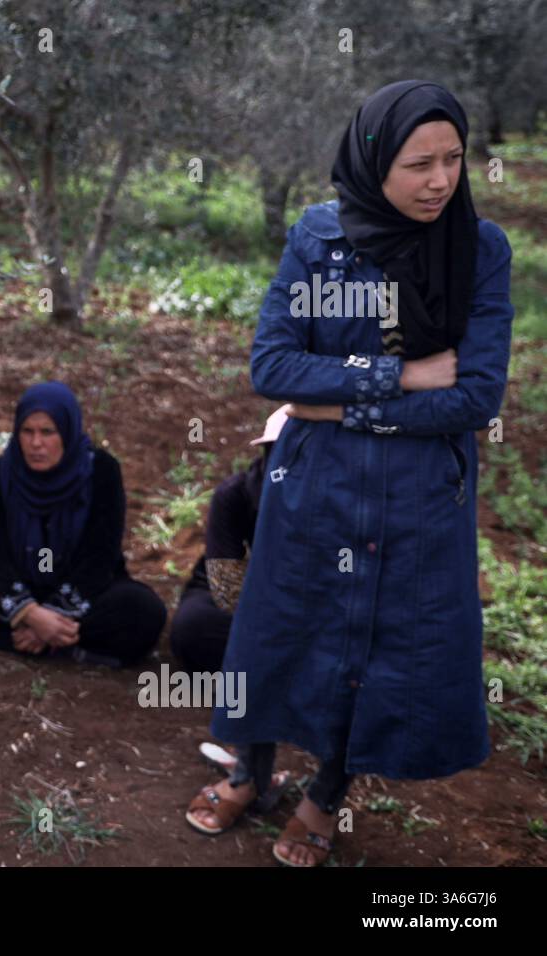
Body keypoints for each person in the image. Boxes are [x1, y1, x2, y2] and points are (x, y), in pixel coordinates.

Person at [187, 81, 514, 866]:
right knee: (283, 627)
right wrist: (399, 376)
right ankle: (249, 771)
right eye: (418, 164)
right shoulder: (320, 238)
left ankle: (325, 793)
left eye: (454, 160)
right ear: (375, 163)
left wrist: (338, 404)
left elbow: (474, 396)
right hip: (316, 490)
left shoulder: (481, 250)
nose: (440, 181)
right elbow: (275, 366)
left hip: (420, 500)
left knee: (382, 645)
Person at [0, 381, 166, 666]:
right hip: (18, 586)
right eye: (27, 432)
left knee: (142, 612)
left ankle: (32, 638)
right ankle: (54, 643)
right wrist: (30, 614)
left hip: (79, 591)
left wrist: (57, 613)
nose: (36, 443)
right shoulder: (0, 474)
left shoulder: (100, 472)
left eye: (47, 432)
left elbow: (100, 556)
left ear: (67, 432)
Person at [169, 405, 290, 673]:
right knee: (195, 628)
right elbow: (227, 589)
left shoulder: (334, 501)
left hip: (304, 610)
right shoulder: (236, 496)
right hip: (247, 605)